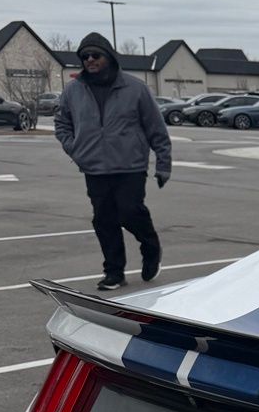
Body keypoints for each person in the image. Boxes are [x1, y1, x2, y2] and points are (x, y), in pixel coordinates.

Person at [54, 32, 171, 292]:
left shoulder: (135, 88)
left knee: (129, 210)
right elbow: (62, 123)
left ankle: (150, 245)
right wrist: (75, 149)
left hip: (130, 165)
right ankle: (114, 272)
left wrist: (163, 164)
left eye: (95, 55)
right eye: (85, 57)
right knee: (104, 219)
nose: (90, 60)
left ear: (108, 57)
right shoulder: (74, 90)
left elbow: (156, 129)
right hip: (94, 167)